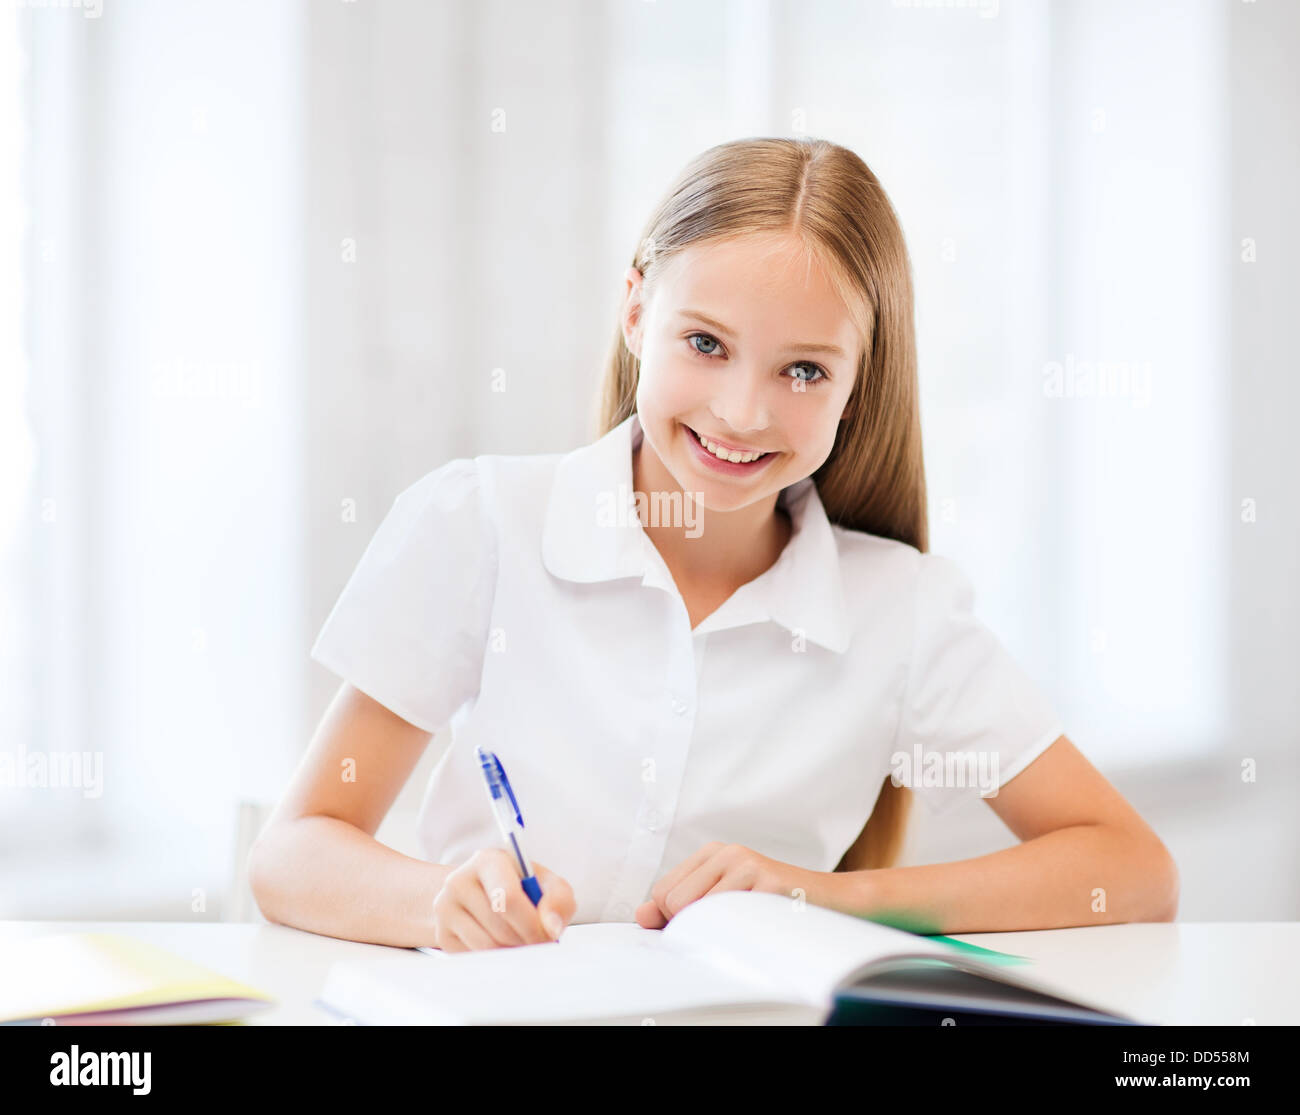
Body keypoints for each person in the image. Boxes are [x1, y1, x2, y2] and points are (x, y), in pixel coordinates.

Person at [249, 137, 1179, 952]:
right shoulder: (483, 525)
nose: (742, 412)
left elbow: (1131, 868)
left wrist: (823, 898)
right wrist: (434, 902)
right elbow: (294, 851)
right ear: (635, 312)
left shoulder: (901, 612)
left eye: (804, 369)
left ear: (858, 387)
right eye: (705, 343)